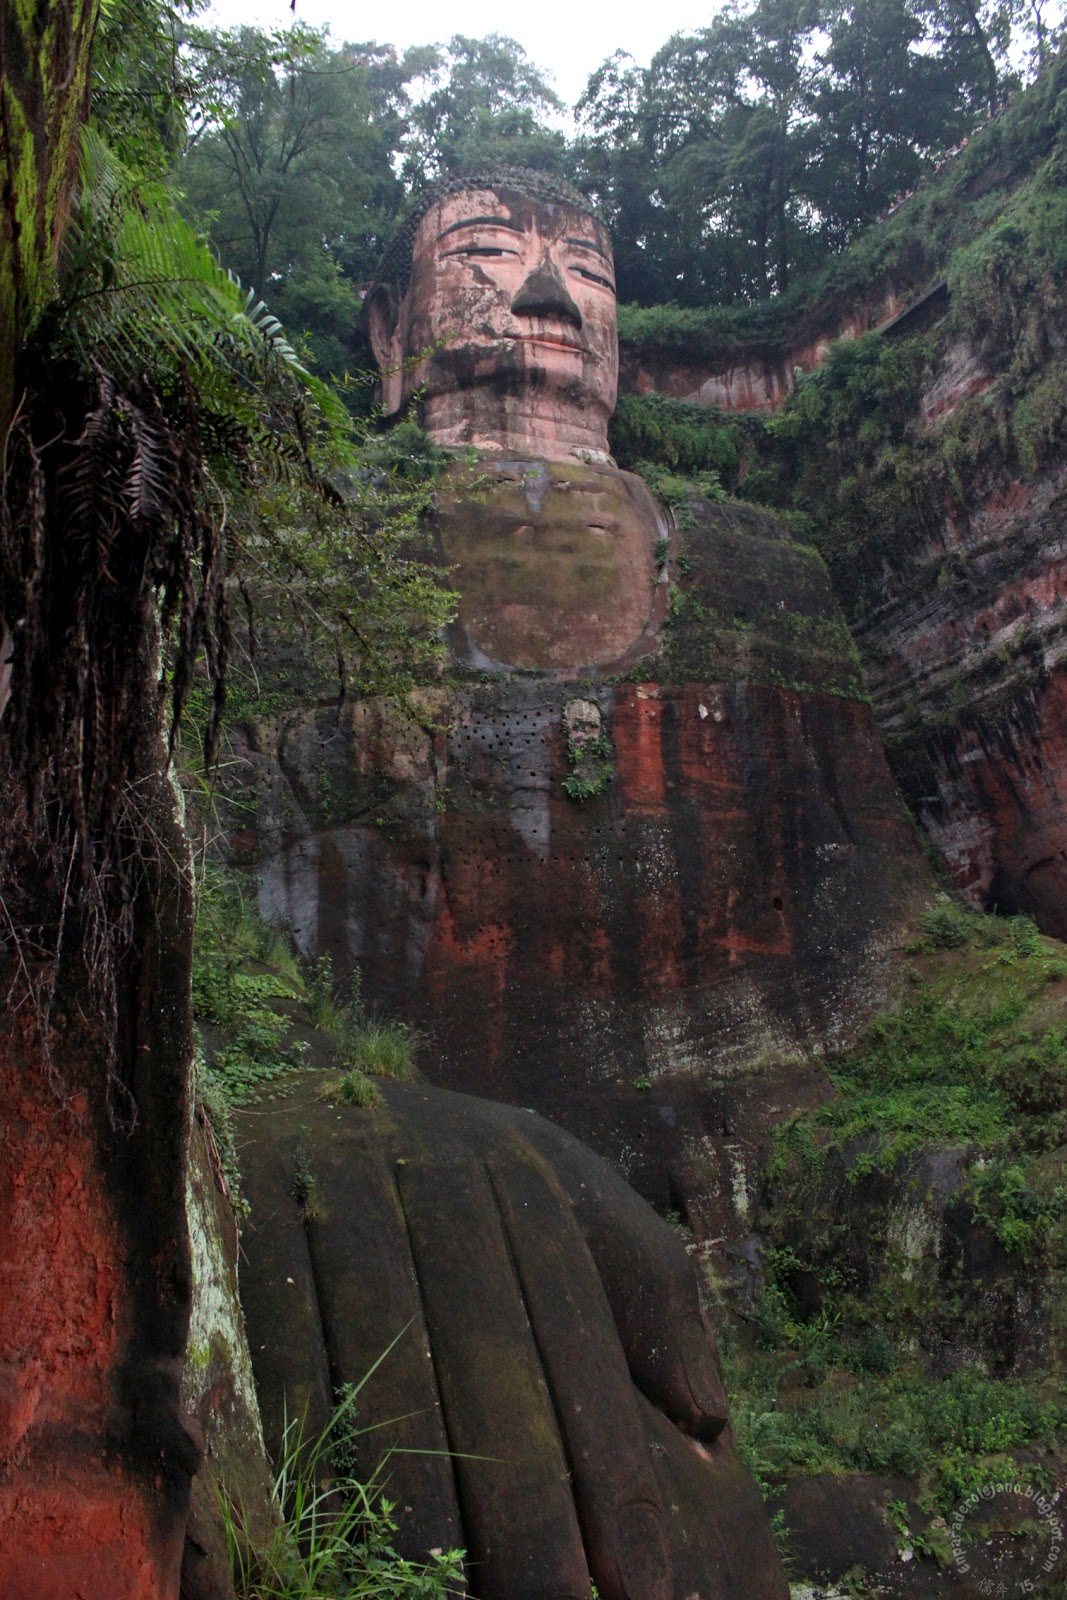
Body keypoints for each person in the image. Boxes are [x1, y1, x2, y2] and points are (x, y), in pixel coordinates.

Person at [366, 167, 618, 465]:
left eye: (589, 274)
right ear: (387, 327)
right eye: (491, 250)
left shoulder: (659, 505)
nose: (554, 299)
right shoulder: (348, 493)